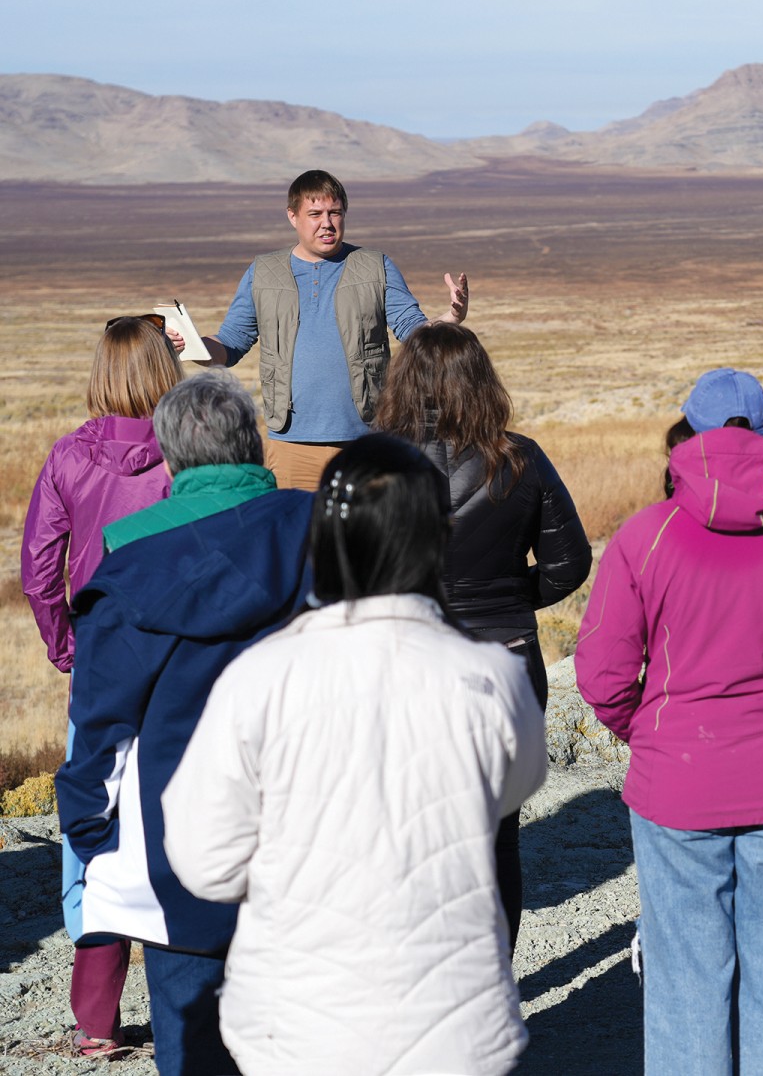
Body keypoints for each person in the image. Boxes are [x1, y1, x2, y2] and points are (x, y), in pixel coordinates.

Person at [162, 434, 549, 1076]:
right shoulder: (493, 679)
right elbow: (516, 786)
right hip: (457, 1036)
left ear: (326, 540)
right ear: (435, 539)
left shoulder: (259, 677)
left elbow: (205, 862)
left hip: (298, 1031)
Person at [575, 368, 763, 1076]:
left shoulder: (645, 537)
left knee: (686, 983)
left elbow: (600, 674)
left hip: (676, 792)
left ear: (685, 440)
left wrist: (655, 735)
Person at [55, 371, 314, 1076]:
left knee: (192, 1039)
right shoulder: (328, 535)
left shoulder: (128, 570)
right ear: (255, 448)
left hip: (180, 854)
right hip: (317, 836)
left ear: (169, 461)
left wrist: (87, 825)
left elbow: (101, 727)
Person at [376, 322, 591, 949]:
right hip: (505, 662)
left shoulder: (370, 464)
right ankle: (494, 983)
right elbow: (568, 565)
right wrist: (504, 602)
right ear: (481, 381)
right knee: (498, 830)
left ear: (404, 382)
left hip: (400, 664)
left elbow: (336, 574)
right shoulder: (521, 457)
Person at [20, 315, 180, 1056]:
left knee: (93, 822)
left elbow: (37, 569)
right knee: (184, 817)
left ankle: (95, 1023)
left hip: (99, 667)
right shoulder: (185, 454)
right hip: (180, 660)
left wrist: (66, 646)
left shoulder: (66, 457)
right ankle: (196, 999)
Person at [172, 168, 470, 489]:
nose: (326, 223)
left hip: (366, 441)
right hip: (290, 446)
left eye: (335, 213)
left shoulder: (375, 266)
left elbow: (413, 331)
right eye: (315, 214)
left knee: (363, 537)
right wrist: (192, 347)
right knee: (298, 537)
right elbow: (230, 345)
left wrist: (450, 319)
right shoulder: (264, 272)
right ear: (292, 216)